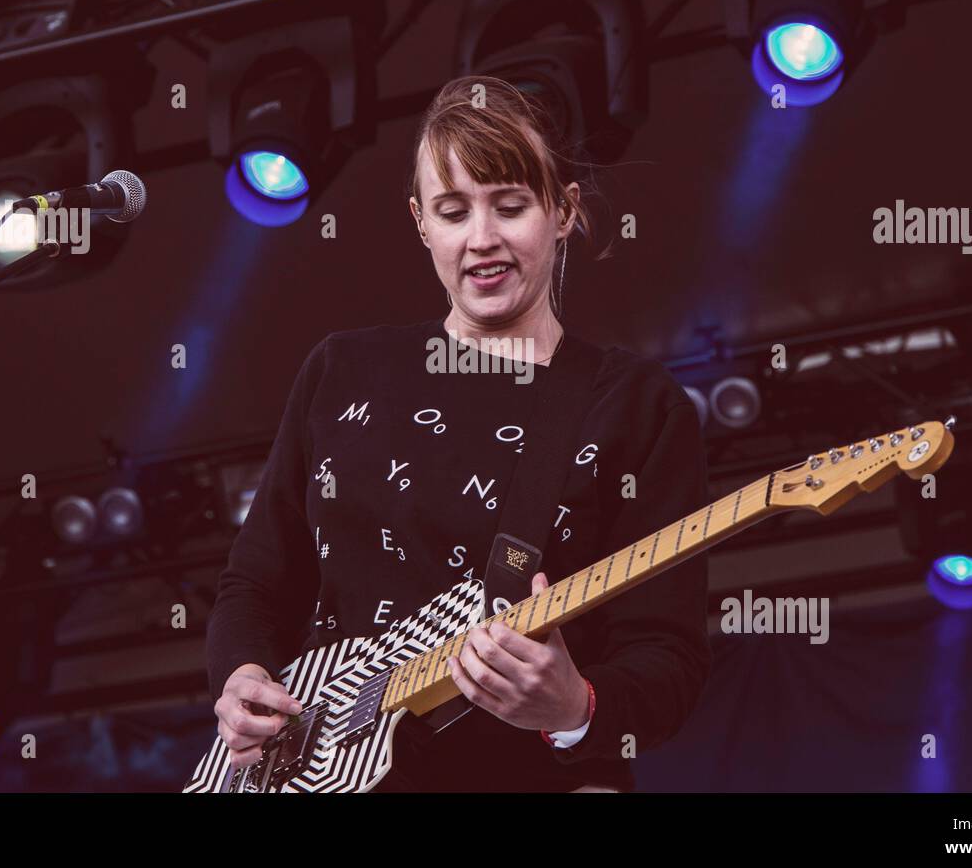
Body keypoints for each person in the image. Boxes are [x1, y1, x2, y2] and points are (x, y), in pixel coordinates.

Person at [206, 74, 711, 792]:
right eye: (452, 211)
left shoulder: (633, 405)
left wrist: (576, 707)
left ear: (563, 211)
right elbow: (257, 579)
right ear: (420, 223)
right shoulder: (343, 370)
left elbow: (669, 657)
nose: (482, 239)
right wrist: (242, 679)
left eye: (510, 206)